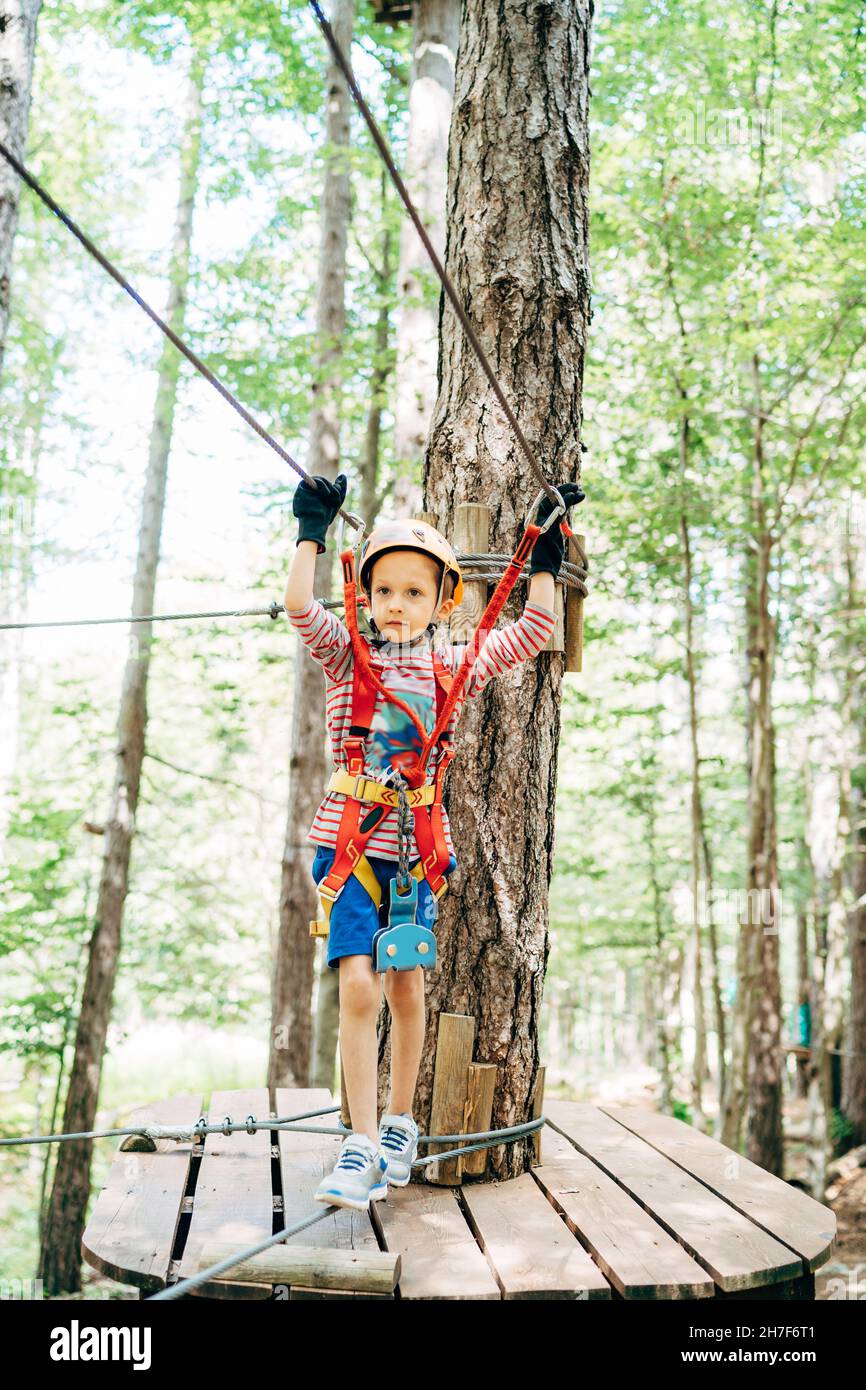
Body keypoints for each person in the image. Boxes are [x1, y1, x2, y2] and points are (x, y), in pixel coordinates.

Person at [283, 472, 584, 1211]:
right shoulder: (347, 654)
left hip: (416, 853)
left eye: (415, 592)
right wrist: (310, 532)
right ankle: (357, 1142)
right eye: (384, 590)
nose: (395, 604)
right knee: (358, 986)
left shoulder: (453, 663)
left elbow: (534, 632)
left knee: (407, 987)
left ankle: (398, 1126)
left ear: (444, 601)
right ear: (365, 595)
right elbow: (299, 607)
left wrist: (543, 559)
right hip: (350, 844)